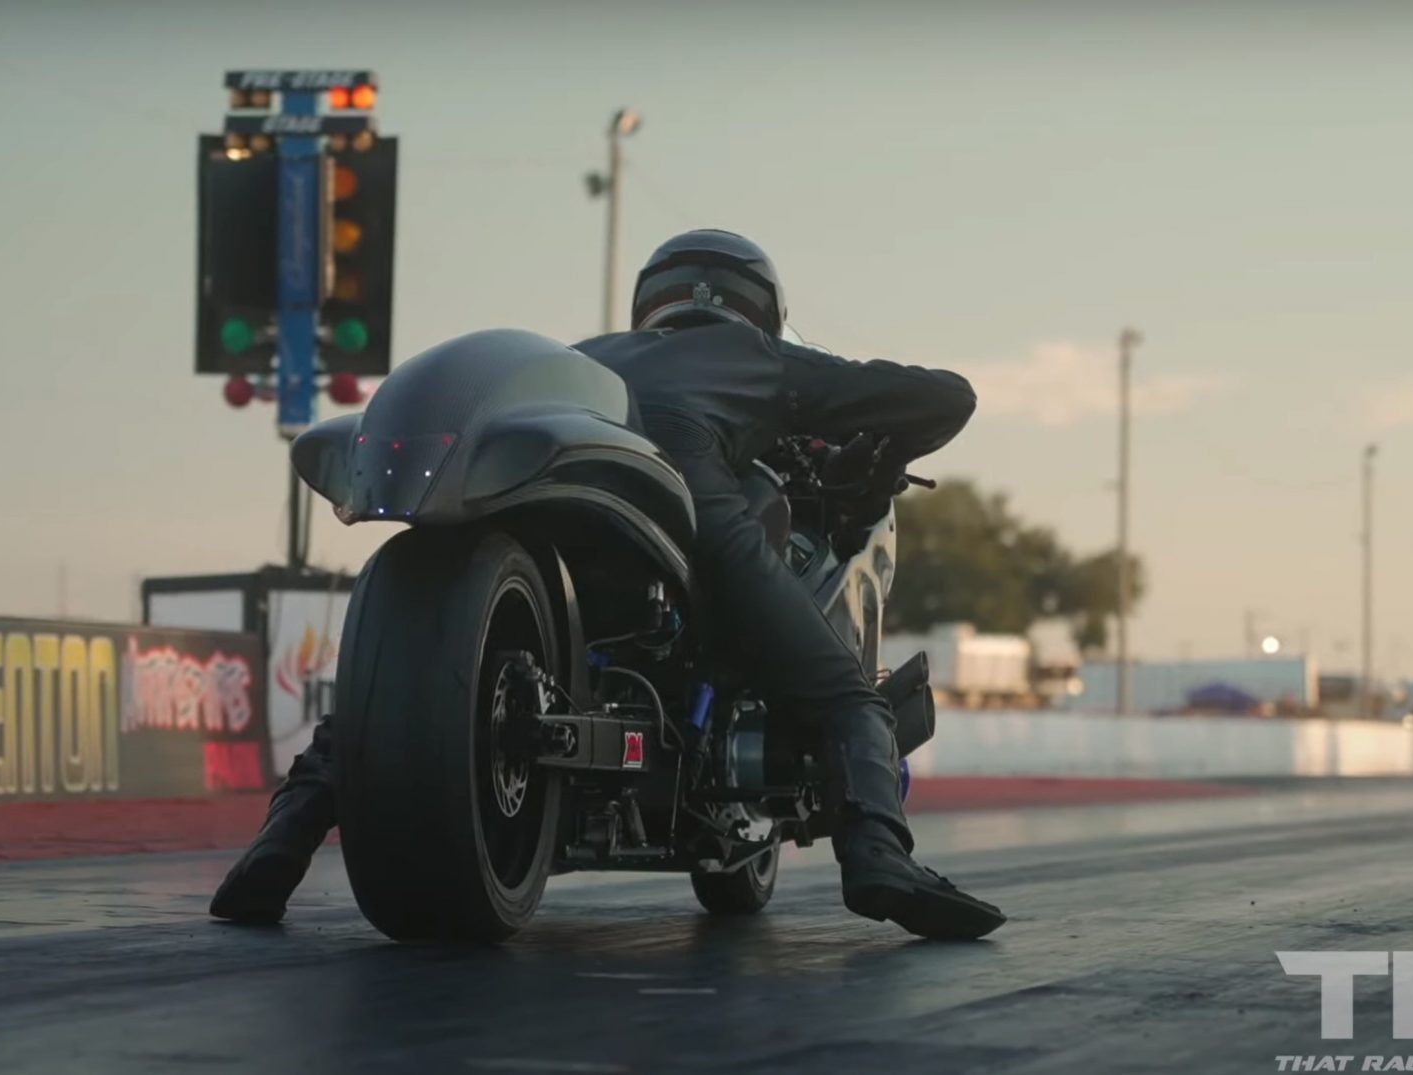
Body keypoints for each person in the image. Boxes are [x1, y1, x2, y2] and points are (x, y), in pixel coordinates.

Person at [213, 230, 1005, 941]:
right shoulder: (759, 359)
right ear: (760, 310)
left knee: (386, 691)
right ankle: (881, 863)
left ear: (649, 304)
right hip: (701, 523)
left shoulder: (590, 356)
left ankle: (276, 850)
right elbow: (947, 396)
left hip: (574, 521)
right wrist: (875, 439)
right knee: (847, 697)